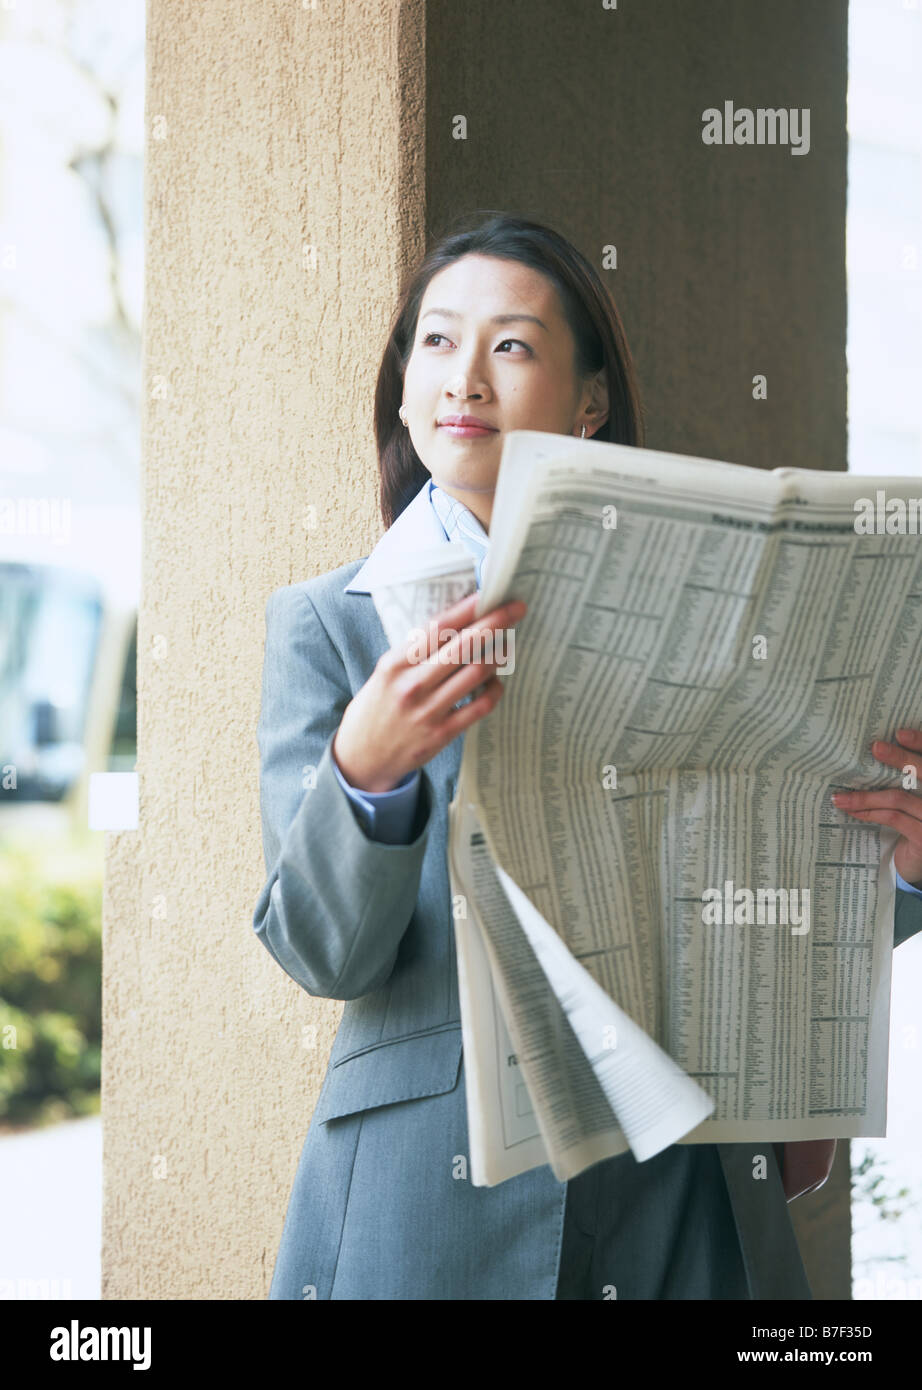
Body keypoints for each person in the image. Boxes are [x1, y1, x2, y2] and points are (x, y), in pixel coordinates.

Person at [252, 209, 922, 1300]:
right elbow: (323, 954)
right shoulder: (329, 624)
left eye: (511, 345)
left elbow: (773, 901)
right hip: (432, 1190)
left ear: (591, 399)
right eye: (435, 340)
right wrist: (363, 776)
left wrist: (903, 868)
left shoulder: (714, 613)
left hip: (686, 1177)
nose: (463, 376)